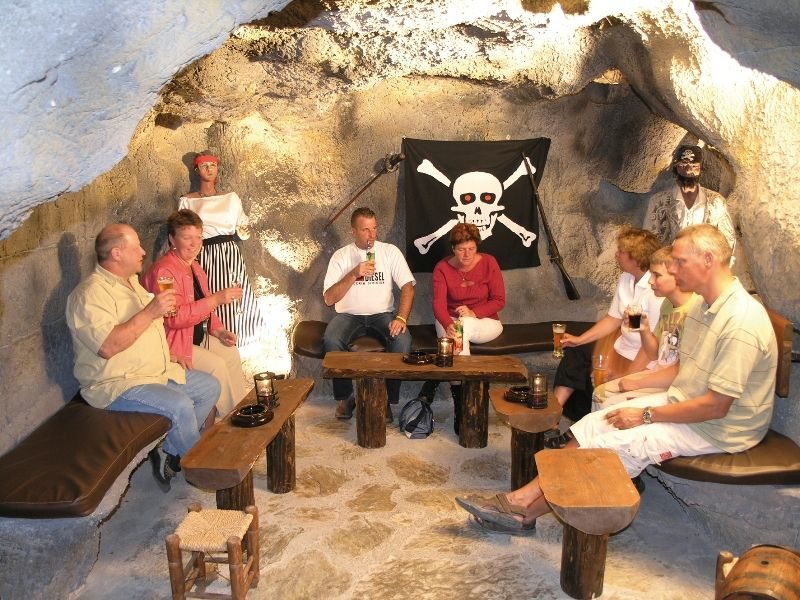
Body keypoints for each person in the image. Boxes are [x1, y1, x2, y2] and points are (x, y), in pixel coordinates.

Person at [455, 224, 777, 533]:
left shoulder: (740, 320)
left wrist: (645, 414)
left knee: (607, 448)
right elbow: (682, 369)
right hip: (689, 402)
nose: (673, 269)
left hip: (720, 427)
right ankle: (520, 499)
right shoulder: (703, 308)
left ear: (708, 260)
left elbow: (716, 406)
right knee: (597, 423)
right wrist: (631, 386)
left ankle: (523, 514)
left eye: (679, 262)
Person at [65, 224, 220, 492]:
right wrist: (151, 311)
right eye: (136, 247)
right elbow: (107, 346)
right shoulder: (89, 295)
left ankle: (171, 453)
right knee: (180, 405)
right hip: (117, 384)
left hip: (153, 372)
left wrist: (168, 354)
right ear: (116, 253)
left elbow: (144, 331)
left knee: (209, 387)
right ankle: (206, 470)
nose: (143, 251)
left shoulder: (132, 283)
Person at [142, 209, 247, 417]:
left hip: (192, 337)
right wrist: (216, 299)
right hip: (172, 344)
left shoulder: (195, 267)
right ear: (172, 239)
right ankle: (234, 420)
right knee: (217, 366)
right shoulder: (164, 273)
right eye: (187, 238)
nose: (194, 244)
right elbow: (173, 318)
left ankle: (241, 408)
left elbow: (202, 303)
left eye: (198, 237)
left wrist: (218, 331)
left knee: (230, 354)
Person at [553, 227, 664, 422]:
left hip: (639, 358)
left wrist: (624, 377)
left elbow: (650, 349)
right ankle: (554, 412)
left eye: (621, 251)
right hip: (622, 345)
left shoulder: (655, 292)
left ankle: (587, 424)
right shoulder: (626, 278)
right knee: (576, 351)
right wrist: (579, 339)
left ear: (636, 258)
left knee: (596, 376)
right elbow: (613, 318)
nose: (616, 254)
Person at [323, 207, 415, 422]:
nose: (371, 235)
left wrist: (401, 318)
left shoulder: (389, 251)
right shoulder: (341, 256)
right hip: (348, 315)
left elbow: (408, 287)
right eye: (365, 230)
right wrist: (354, 273)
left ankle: (385, 399)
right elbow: (329, 299)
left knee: (402, 340)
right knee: (331, 339)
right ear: (353, 231)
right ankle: (346, 398)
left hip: (382, 314)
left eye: (374, 228)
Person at [420, 223, 506, 430]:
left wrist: (474, 312)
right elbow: (438, 305)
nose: (467, 254)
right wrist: (448, 324)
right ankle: (463, 405)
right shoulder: (442, 268)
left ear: (477, 246)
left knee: (462, 327)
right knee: (458, 334)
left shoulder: (489, 262)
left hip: (486, 321)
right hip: (449, 320)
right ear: (453, 249)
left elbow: (499, 300)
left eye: (471, 248)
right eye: (461, 249)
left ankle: (450, 392)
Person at [593, 245, 701, 408]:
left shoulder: (694, 311)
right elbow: (653, 353)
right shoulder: (667, 304)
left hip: (674, 386)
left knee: (612, 403)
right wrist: (644, 329)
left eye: (657, 275)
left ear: (677, 275)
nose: (650, 281)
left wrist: (636, 382)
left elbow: (682, 370)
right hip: (657, 373)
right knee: (600, 393)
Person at [178, 153, 263, 347]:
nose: (209, 169)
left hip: (228, 252)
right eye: (204, 165)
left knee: (232, 297)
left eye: (212, 165)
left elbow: (243, 230)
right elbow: (182, 232)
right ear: (196, 170)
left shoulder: (230, 198)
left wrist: (244, 228)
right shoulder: (187, 201)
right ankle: (210, 342)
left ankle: (235, 340)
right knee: (206, 295)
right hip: (201, 254)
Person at [647, 144, 736, 252]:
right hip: (670, 261)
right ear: (676, 168)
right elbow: (649, 240)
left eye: (694, 166)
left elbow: (728, 239)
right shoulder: (659, 201)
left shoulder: (716, 202)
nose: (688, 170)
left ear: (701, 169)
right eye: (683, 165)